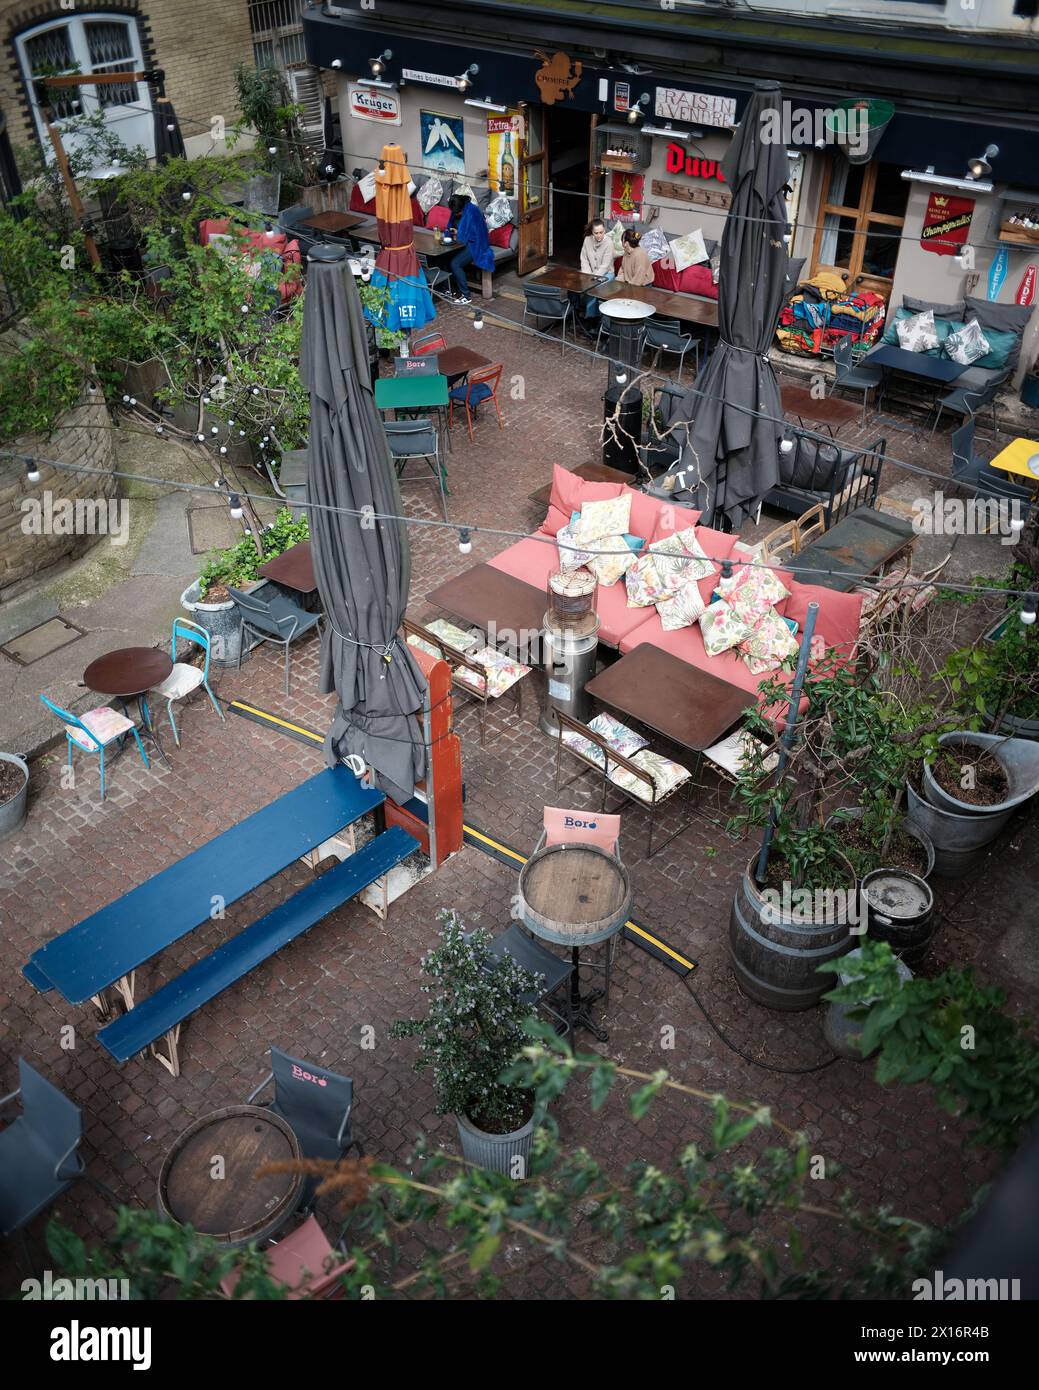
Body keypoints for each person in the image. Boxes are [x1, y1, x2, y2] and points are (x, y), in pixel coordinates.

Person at [443, 193, 494, 306]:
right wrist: (450, 233)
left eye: (457, 212)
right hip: (460, 243)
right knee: (444, 257)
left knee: (455, 263)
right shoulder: (456, 208)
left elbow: (477, 234)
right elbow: (450, 225)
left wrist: (458, 234)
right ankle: (449, 289)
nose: (456, 214)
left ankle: (466, 295)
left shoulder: (473, 211)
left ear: (462, 207)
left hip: (476, 244)